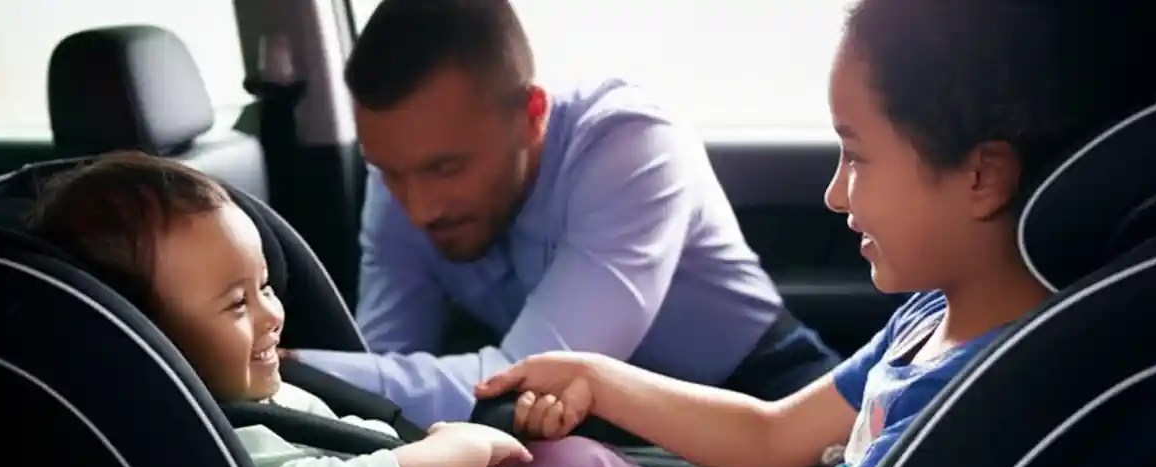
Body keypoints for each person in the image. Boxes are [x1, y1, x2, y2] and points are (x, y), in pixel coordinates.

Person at [273, 0, 1156, 467]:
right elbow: (772, 436)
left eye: (855, 154)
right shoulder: (935, 317)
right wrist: (597, 375)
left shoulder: (978, 394)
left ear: (982, 177)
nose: (833, 190)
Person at [28, 151, 806, 467]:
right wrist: (461, 448)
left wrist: (461, 457)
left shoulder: (262, 391)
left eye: (265, 286)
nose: (272, 315)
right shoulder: (220, 443)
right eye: (237, 306)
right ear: (148, 340)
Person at [289, 0, 839, 428]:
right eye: (389, 172)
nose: (417, 207)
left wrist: (280, 371)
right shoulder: (402, 184)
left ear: (532, 117)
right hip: (591, 432)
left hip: (765, 394)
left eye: (447, 168)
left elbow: (524, 378)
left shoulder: (630, 146)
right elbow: (381, 377)